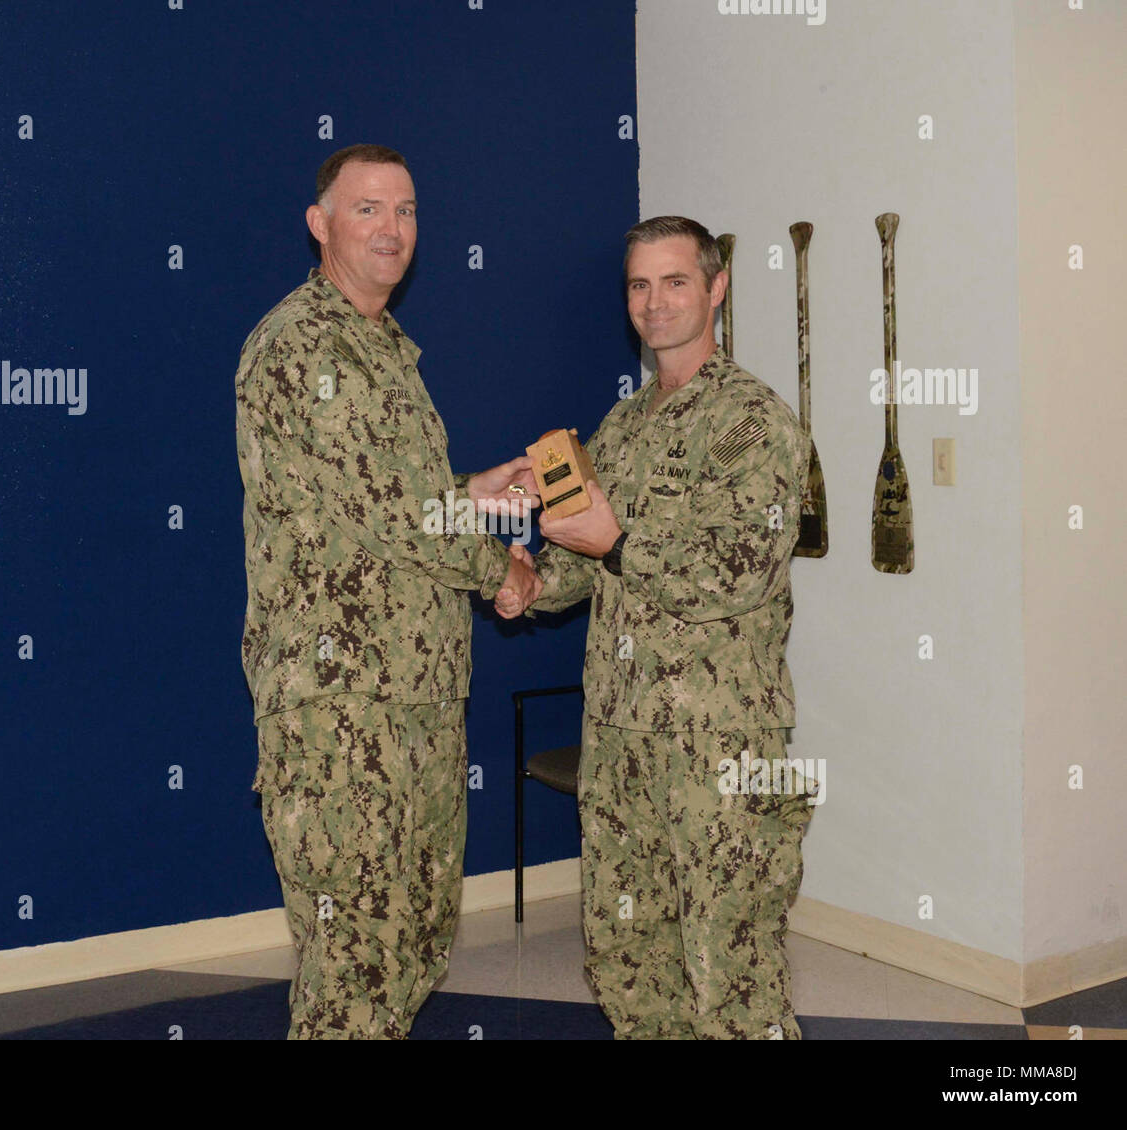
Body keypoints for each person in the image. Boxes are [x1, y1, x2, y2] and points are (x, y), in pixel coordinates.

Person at [235, 143, 541, 1039]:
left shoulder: (382, 351)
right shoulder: (307, 346)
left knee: (409, 946)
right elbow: (403, 518)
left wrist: (475, 490)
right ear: (319, 223)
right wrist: (505, 570)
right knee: (354, 971)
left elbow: (397, 503)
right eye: (366, 209)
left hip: (412, 705)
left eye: (405, 210)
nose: (391, 229)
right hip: (342, 716)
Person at [499, 216, 813, 1039]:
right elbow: (586, 560)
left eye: (675, 281)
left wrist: (620, 543)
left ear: (716, 288)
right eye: (639, 285)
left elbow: (740, 571)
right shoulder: (623, 428)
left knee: (731, 973)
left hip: (721, 749)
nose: (654, 301)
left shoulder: (756, 423)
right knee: (628, 960)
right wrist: (526, 583)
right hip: (621, 745)